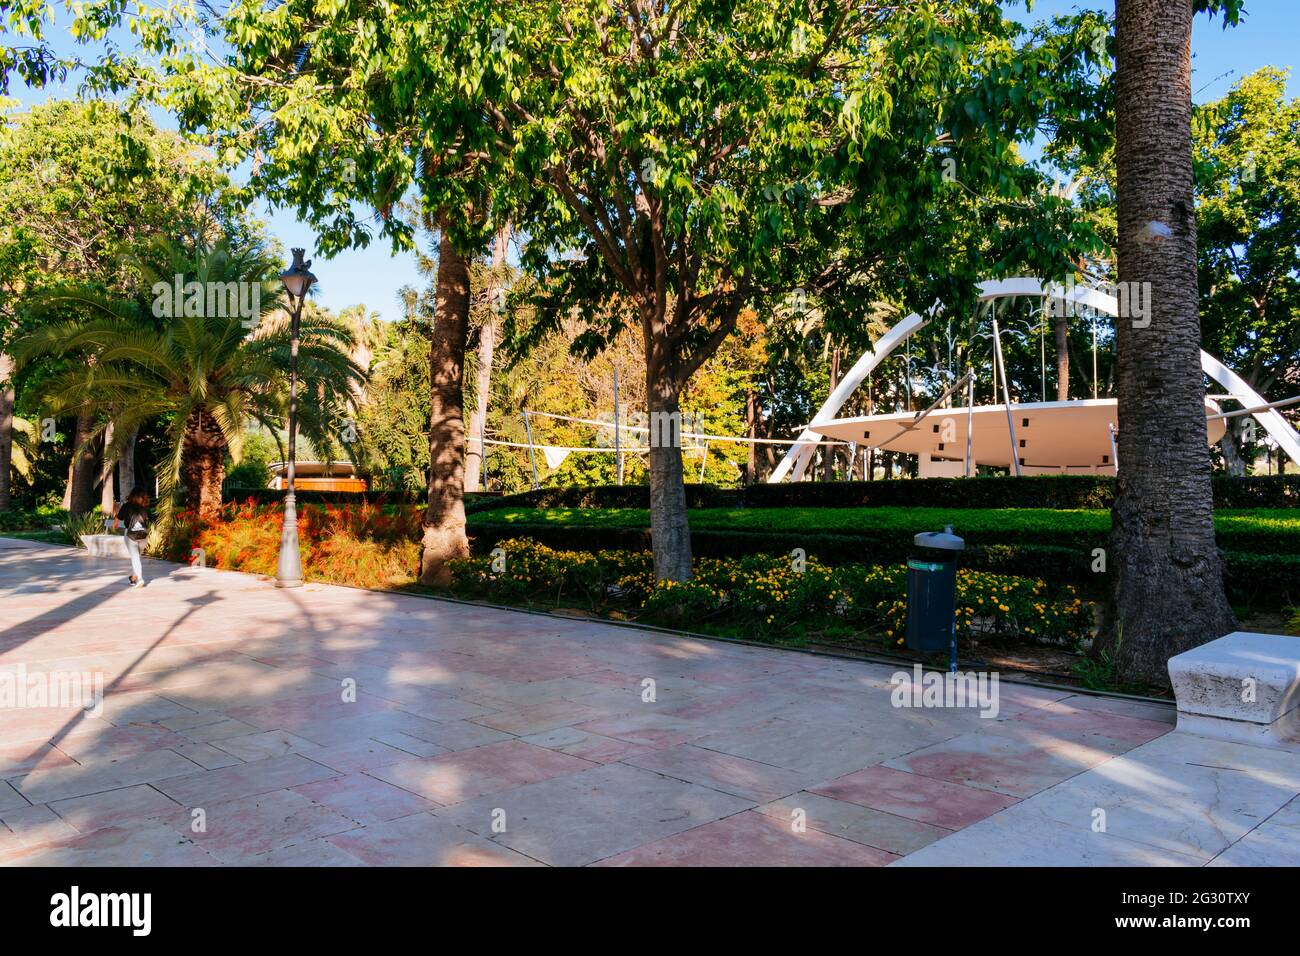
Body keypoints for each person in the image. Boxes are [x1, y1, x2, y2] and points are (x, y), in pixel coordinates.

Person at [117, 487, 151, 588]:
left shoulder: (126, 506)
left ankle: (140, 579)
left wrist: (116, 523)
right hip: (143, 535)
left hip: (130, 535)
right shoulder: (145, 507)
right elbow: (149, 520)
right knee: (136, 558)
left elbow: (118, 518)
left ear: (132, 495)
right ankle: (133, 578)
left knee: (135, 558)